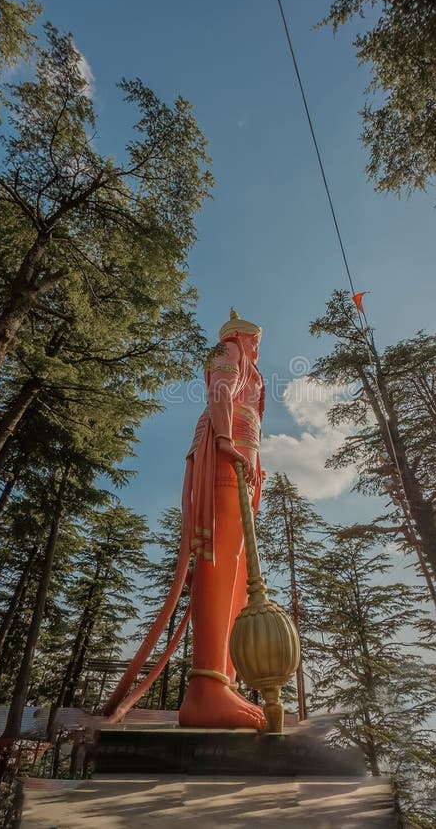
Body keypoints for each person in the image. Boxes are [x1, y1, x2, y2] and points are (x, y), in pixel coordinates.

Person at [178, 310, 267, 730]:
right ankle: (207, 686)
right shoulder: (229, 349)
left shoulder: (246, 362)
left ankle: (223, 681)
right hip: (226, 454)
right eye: (256, 342)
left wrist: (253, 464)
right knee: (219, 557)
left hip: (241, 459)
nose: (257, 350)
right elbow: (220, 390)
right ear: (243, 336)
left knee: (237, 567)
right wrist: (226, 440)